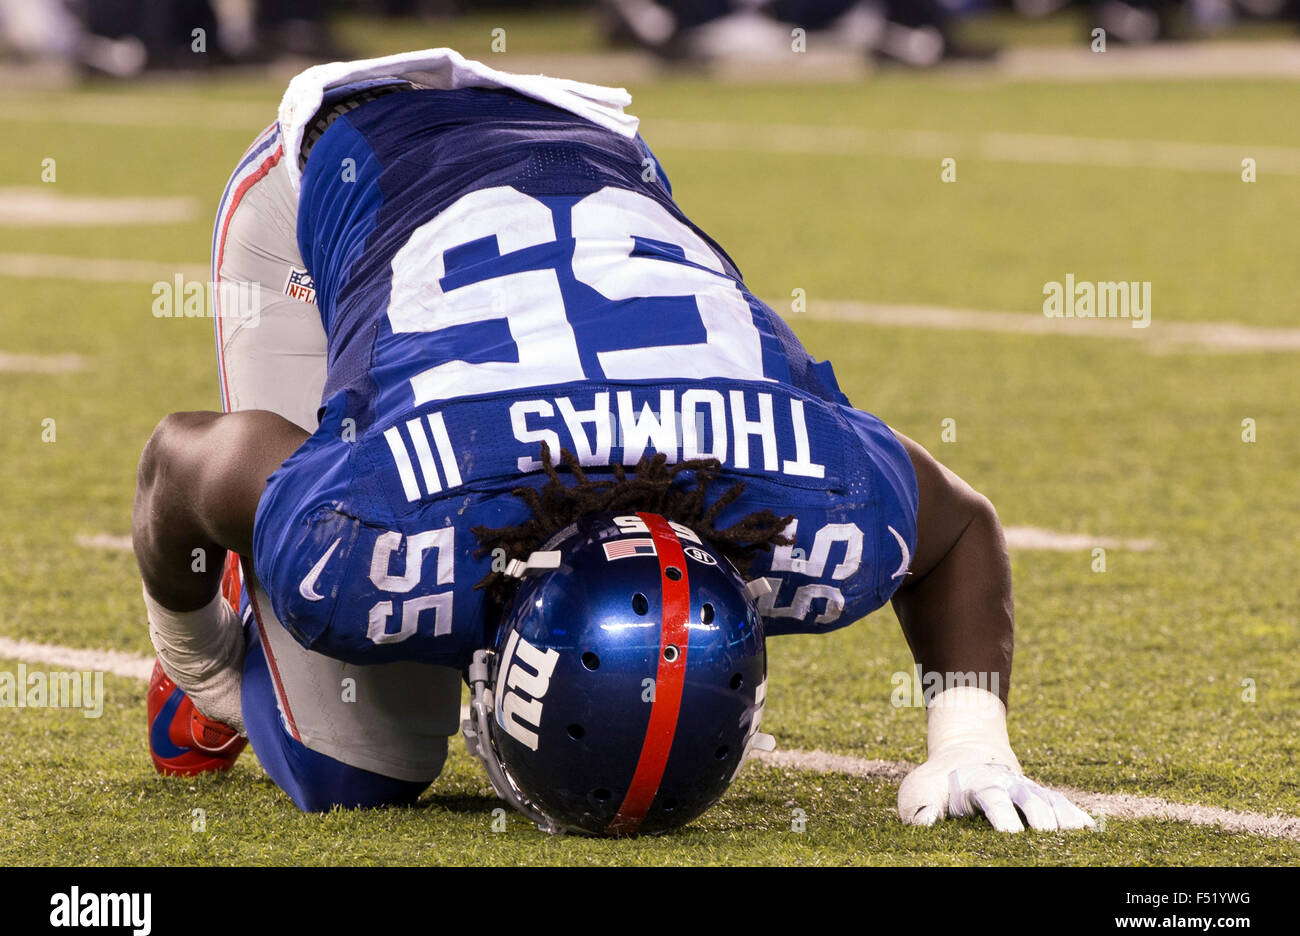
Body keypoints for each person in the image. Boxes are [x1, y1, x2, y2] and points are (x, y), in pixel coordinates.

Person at [133, 49, 1092, 834]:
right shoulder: (368, 531)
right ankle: (245, 593)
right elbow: (180, 458)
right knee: (353, 766)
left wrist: (973, 740)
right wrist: (200, 656)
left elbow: (959, 531)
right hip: (345, 155)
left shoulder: (815, 505)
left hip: (584, 135)